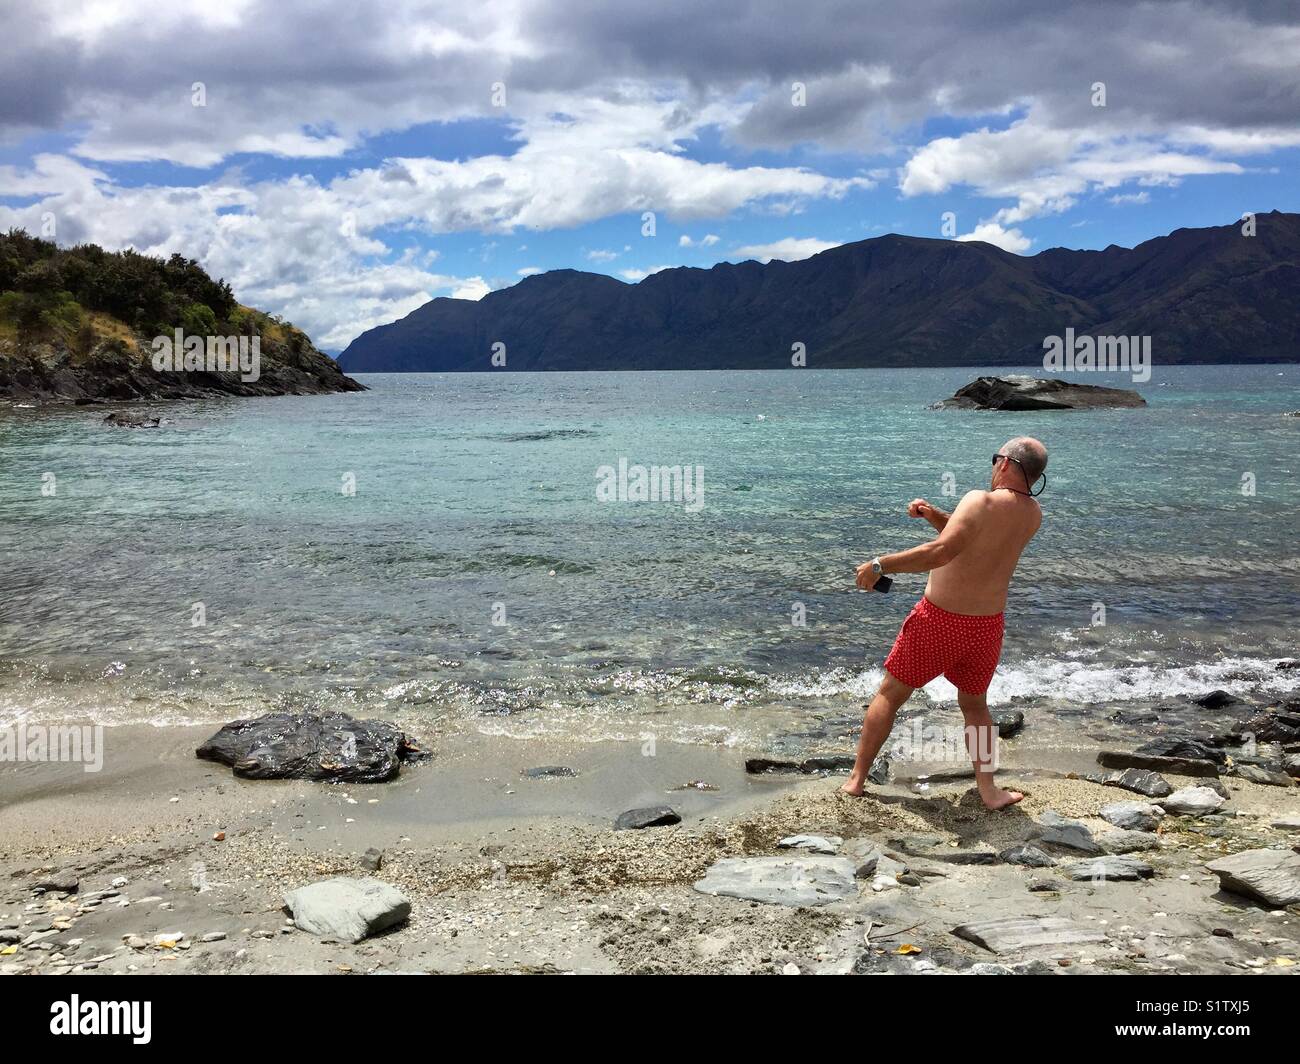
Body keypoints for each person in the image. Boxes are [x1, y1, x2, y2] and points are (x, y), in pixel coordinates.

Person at [842, 437, 1047, 810]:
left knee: (890, 695)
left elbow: (942, 552)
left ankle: (856, 780)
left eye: (994, 458)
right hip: (986, 628)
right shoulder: (1032, 513)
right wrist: (935, 516)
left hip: (939, 621)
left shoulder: (978, 500)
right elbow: (973, 541)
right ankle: (989, 791)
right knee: (975, 706)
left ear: (1005, 463)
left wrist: (878, 565)